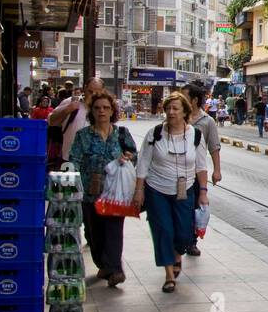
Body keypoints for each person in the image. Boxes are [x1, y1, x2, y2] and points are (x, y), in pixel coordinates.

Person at [133, 92, 209, 293]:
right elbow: (143, 163)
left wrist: (203, 192)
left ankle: (177, 254)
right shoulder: (155, 133)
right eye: (168, 108)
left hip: (185, 190)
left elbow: (201, 166)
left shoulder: (196, 135)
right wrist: (139, 190)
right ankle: (168, 275)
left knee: (184, 234)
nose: (171, 112)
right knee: (163, 231)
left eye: (176, 108)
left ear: (185, 111)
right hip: (157, 190)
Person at [68, 89, 137, 287]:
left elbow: (134, 154)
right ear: (92, 111)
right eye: (97, 108)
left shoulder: (121, 134)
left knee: (114, 231)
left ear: (112, 111)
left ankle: (115, 269)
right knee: (94, 234)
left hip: (115, 192)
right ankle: (104, 265)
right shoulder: (83, 136)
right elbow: (75, 160)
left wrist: (128, 158)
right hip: (90, 192)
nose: (102, 112)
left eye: (106, 108)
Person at [184, 85, 223, 257]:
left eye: (184, 97)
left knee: (194, 206)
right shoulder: (178, 116)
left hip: (196, 173)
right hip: (176, 171)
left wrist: (217, 171)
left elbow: (214, 147)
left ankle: (192, 242)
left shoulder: (207, 121)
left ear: (194, 100)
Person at [49, 76, 105, 159]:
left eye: (97, 93)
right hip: (71, 160)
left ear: (103, 91)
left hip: (96, 162)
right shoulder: (70, 102)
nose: (93, 95)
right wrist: (67, 110)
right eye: (90, 91)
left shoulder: (106, 108)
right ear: (85, 89)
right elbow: (51, 121)